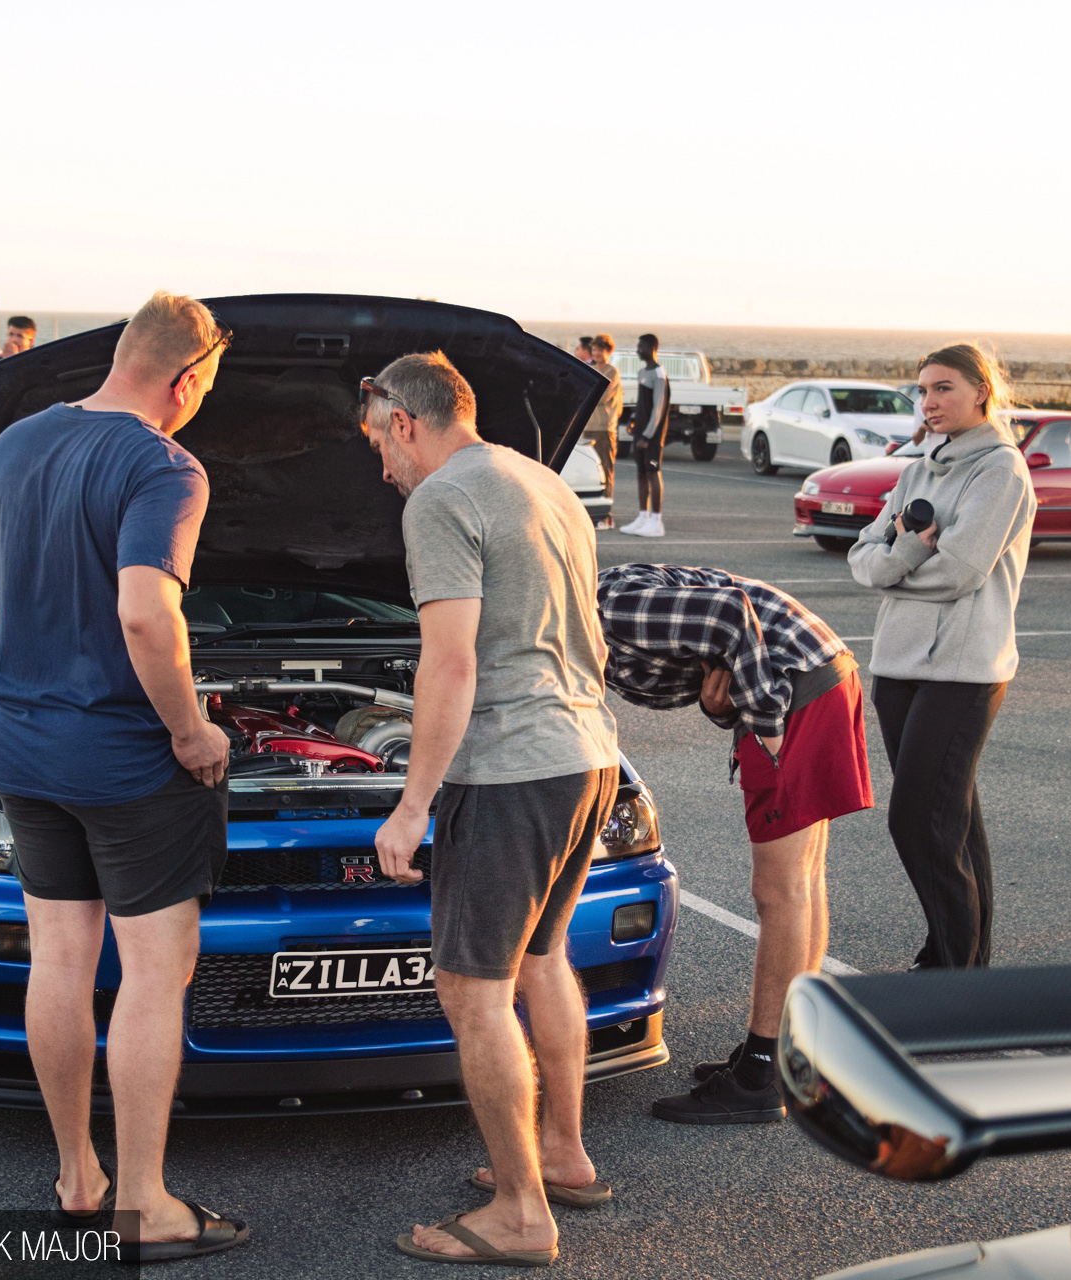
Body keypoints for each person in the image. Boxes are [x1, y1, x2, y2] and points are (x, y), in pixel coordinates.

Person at [0, 291, 248, 1265]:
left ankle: (80, 1178)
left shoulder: (8, 447)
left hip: (25, 748)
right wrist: (194, 730)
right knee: (155, 974)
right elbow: (143, 617)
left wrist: (18, 702)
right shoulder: (163, 464)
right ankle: (148, 1203)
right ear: (188, 376)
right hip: (127, 757)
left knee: (62, 960)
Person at [363, 351, 619, 1268]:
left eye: (379, 447)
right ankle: (562, 1154)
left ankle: (520, 1214)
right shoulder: (542, 482)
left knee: (472, 989)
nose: (382, 472)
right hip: (587, 753)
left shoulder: (439, 500)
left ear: (406, 422)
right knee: (541, 958)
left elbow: (453, 662)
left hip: (510, 769)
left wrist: (411, 803)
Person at [597, 562, 871, 1123]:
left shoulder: (607, 610)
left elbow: (727, 615)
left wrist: (766, 725)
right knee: (801, 882)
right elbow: (714, 654)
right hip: (812, 673)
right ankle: (792, 1051)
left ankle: (761, 1076)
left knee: (780, 890)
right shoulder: (593, 605)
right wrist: (723, 708)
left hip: (796, 688)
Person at [848, 343, 1035, 970]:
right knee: (950, 821)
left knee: (918, 822)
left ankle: (955, 970)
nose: (929, 402)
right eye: (922, 391)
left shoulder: (1000, 470)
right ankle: (960, 957)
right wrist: (900, 559)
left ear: (982, 390)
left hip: (962, 670)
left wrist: (893, 566)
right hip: (897, 666)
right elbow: (862, 555)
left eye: (944, 388)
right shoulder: (917, 469)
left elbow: (958, 570)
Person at [620, 333, 669, 538]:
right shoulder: (642, 372)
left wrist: (647, 435)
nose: (637, 350)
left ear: (651, 348)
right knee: (641, 472)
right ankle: (643, 516)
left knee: (652, 472)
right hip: (639, 431)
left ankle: (656, 521)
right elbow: (643, 404)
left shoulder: (659, 374)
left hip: (652, 436)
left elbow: (658, 408)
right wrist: (633, 418)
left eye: (640, 347)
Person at [582, 334, 623, 528]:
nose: (597, 353)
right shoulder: (592, 370)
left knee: (606, 471)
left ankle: (607, 516)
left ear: (608, 352)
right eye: (595, 349)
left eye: (601, 350)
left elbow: (600, 398)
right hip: (588, 427)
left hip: (604, 429)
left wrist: (589, 391)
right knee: (591, 472)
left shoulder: (611, 372)